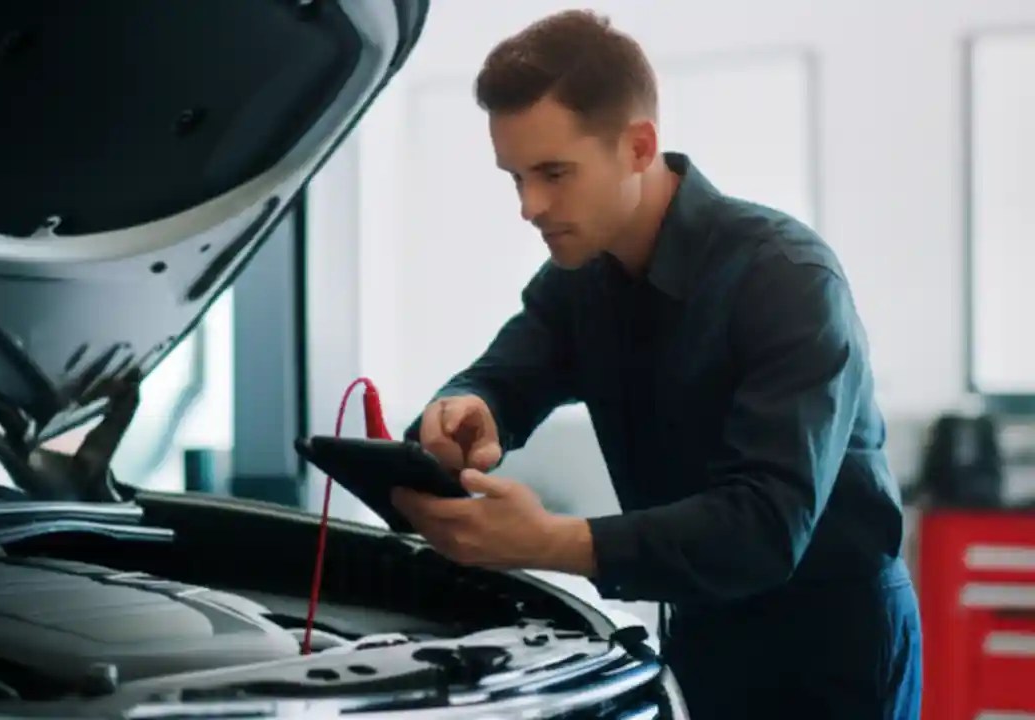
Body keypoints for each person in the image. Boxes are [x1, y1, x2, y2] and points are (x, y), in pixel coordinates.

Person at [391, 10, 922, 719]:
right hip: (700, 627)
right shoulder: (581, 278)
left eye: (554, 173)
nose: (530, 206)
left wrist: (553, 542)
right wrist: (466, 410)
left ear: (639, 147)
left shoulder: (787, 277)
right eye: (515, 177)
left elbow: (765, 527)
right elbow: (500, 378)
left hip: (829, 649)